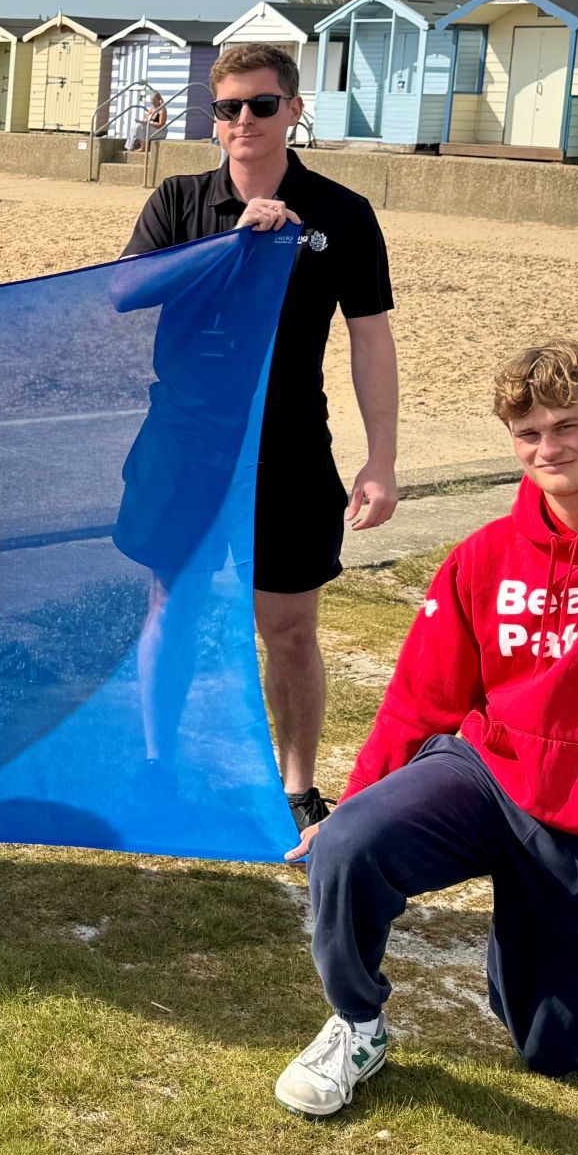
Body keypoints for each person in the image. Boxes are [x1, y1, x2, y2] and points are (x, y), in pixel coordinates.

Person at [277, 341, 578, 1116]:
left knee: (552, 1049)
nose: (549, 449)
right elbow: (419, 701)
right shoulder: (484, 556)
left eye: (567, 426)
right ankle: (357, 1024)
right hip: (489, 780)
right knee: (346, 844)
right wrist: (358, 803)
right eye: (529, 433)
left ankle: (570, 934)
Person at [121, 43, 398, 830]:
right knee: (172, 606)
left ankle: (297, 789)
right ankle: (158, 767)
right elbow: (124, 288)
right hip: (184, 441)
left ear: (294, 111)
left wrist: (381, 460)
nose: (245, 120)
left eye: (262, 105)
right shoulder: (179, 200)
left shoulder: (342, 213)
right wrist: (231, 241)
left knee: (289, 628)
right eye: (229, 108)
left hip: (290, 447)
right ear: (214, 119)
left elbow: (371, 338)